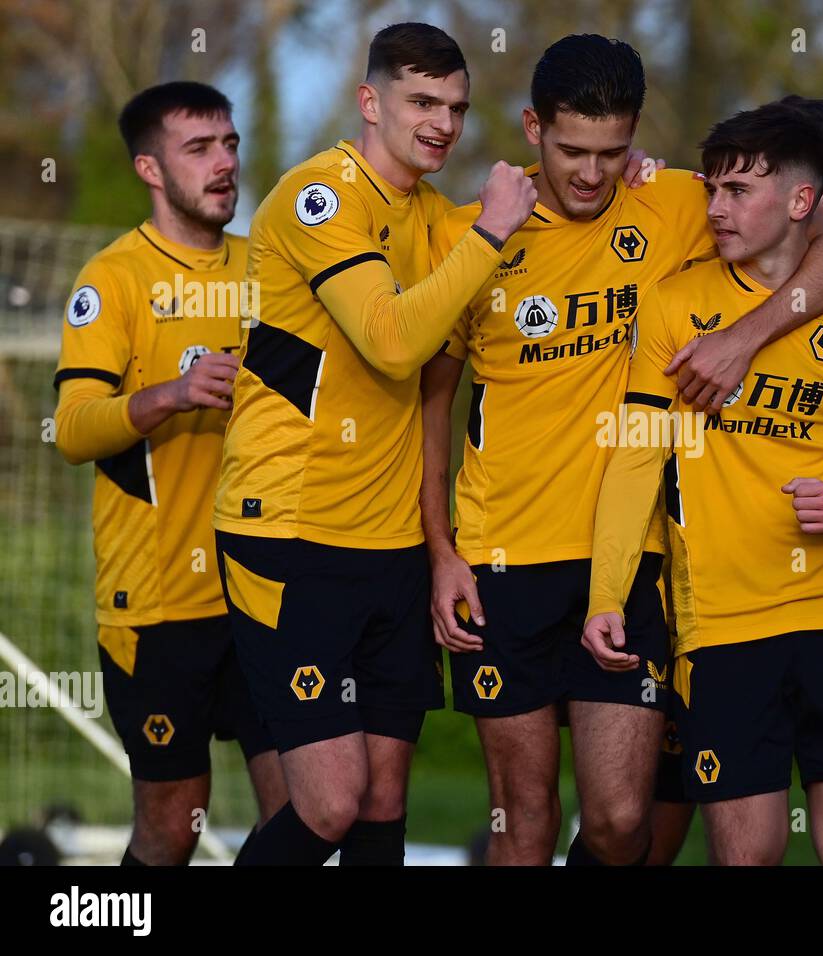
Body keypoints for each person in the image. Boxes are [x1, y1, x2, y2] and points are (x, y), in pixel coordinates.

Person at [421, 35, 823, 866]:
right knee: (519, 824)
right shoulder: (475, 235)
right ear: (532, 128)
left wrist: (743, 338)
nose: (592, 174)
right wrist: (440, 549)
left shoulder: (678, 202)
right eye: (571, 152)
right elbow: (432, 400)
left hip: (631, 559)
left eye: (611, 151)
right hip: (502, 557)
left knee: (622, 823)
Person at [211, 22, 536, 866]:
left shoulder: (432, 216)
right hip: (290, 531)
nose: (443, 123)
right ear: (369, 101)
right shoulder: (319, 196)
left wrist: (637, 177)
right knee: (328, 804)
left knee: (385, 798)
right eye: (422, 101)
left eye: (456, 108)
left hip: (389, 543)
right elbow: (394, 339)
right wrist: (493, 233)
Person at [584, 101, 823, 864]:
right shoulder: (673, 303)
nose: (715, 210)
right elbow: (637, 457)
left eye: (738, 193)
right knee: (747, 855)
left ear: (801, 202)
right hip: (725, 624)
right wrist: (607, 594)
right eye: (713, 190)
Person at [53, 81, 286, 865]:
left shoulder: (269, 269)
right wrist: (167, 395)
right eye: (199, 149)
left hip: (264, 589)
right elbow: (73, 428)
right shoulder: (112, 278)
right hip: (156, 601)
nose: (225, 165)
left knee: (307, 808)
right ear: (151, 170)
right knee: (171, 823)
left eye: (230, 145)